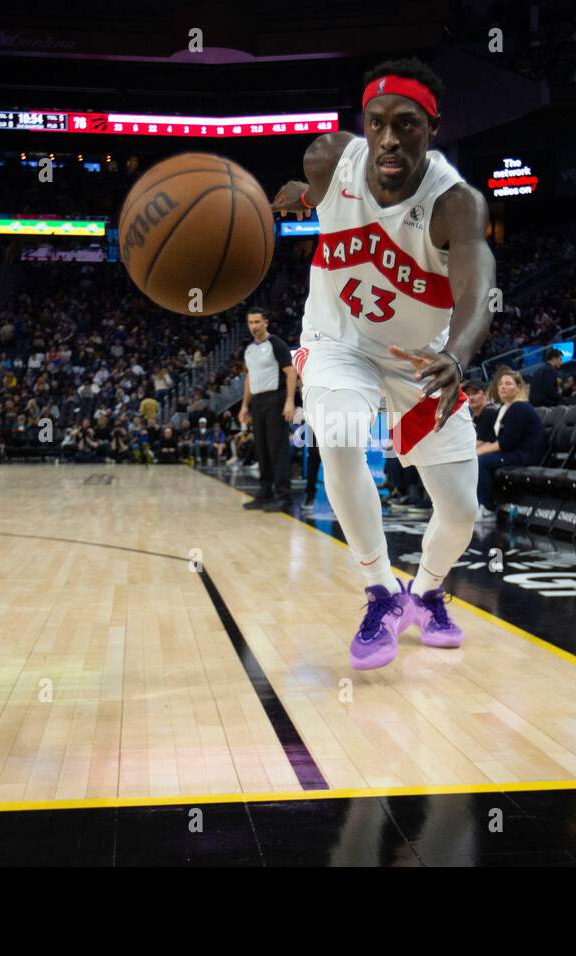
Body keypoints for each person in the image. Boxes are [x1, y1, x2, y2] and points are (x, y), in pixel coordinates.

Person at [270, 57, 494, 670]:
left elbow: (479, 287)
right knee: (340, 434)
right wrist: (305, 196)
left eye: (407, 125)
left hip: (422, 359)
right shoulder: (328, 161)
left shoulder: (456, 203)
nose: (390, 139)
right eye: (377, 124)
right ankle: (380, 592)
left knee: (461, 511)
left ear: (432, 127)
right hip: (340, 337)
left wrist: (457, 353)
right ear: (363, 125)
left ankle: (424, 593)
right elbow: (315, 191)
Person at [238, 307, 296, 511]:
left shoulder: (276, 344)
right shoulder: (249, 349)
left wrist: (290, 401)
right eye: (250, 323)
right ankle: (265, 492)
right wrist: (244, 406)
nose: (253, 326)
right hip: (258, 401)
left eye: (257, 322)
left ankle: (284, 496)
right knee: (261, 448)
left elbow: (290, 373)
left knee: (277, 448)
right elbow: (248, 378)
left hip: (275, 398)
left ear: (266, 323)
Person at [475, 368, 545, 519]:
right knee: (474, 459)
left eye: (508, 384)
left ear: (518, 387)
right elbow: (492, 440)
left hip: (524, 455)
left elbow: (506, 442)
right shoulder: (503, 409)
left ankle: (487, 509)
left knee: (481, 462)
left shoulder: (520, 407)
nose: (503, 387)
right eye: (500, 384)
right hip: (511, 453)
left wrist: (479, 452)